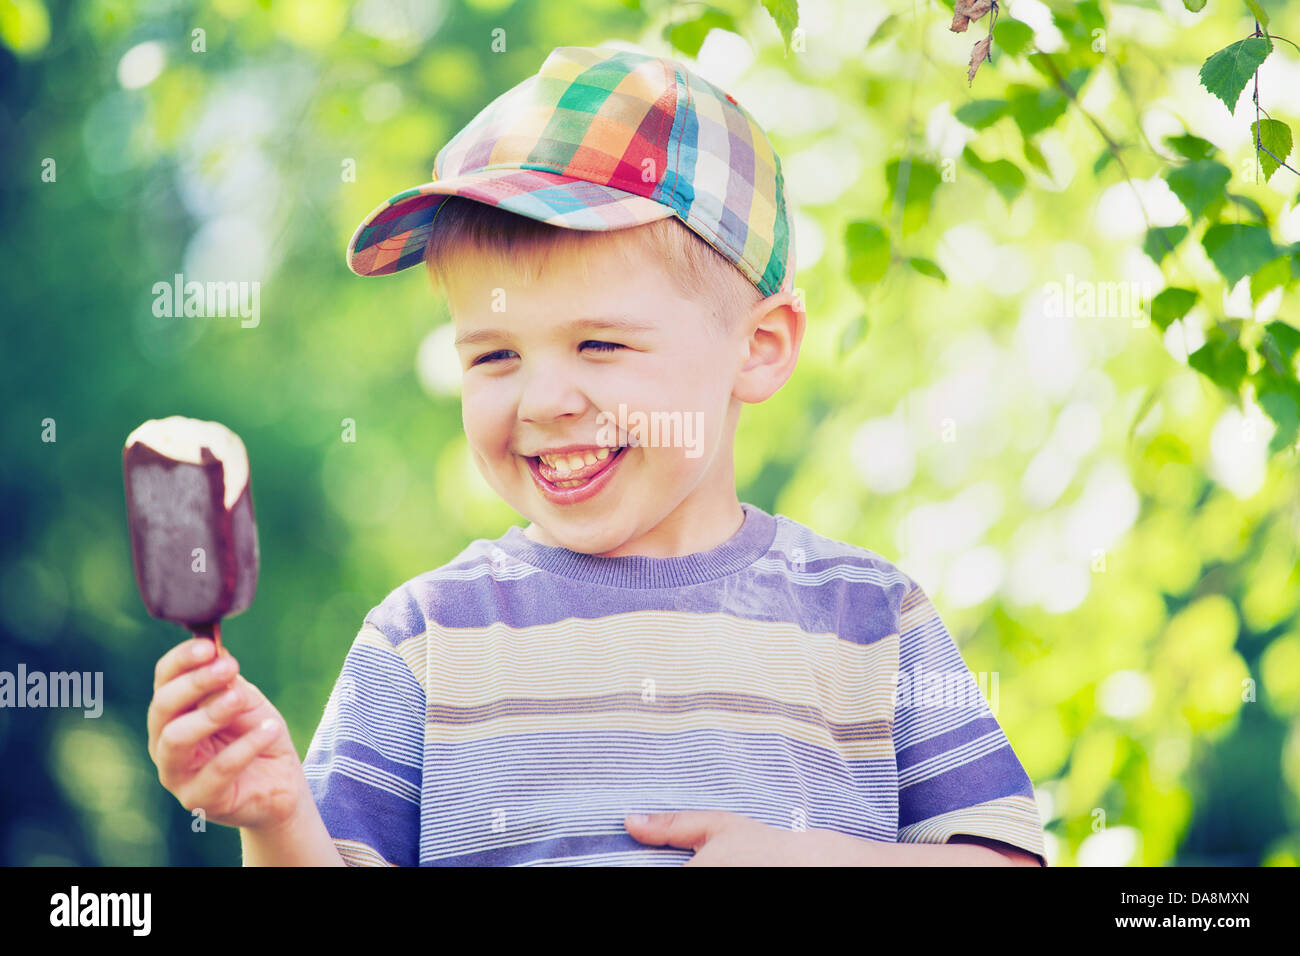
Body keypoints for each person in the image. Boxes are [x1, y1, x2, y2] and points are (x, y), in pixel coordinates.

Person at [146, 45, 1047, 867]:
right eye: (494, 355)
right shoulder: (425, 641)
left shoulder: (869, 620)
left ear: (760, 346)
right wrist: (273, 819)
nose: (542, 401)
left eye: (601, 346)